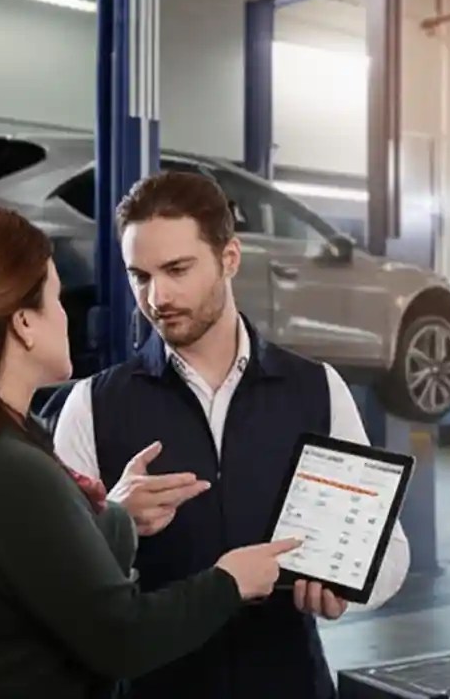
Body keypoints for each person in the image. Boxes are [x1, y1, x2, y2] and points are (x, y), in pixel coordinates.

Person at [0, 205, 301, 699]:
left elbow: (32, 561)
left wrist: (115, 517)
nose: (67, 313)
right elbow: (122, 637)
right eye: (56, 298)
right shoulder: (8, 469)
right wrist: (229, 581)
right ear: (24, 323)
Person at [49, 171, 410, 698]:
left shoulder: (316, 390)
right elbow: (59, 584)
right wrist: (113, 521)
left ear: (230, 258)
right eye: (140, 276)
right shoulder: (94, 405)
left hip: (290, 684)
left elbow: (388, 549)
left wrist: (345, 589)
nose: (158, 296)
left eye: (177, 269)